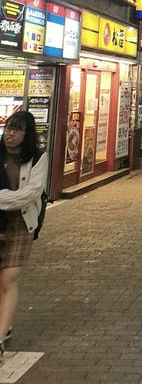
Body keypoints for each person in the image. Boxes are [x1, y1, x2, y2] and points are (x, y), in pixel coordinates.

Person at [0, 111, 48, 357]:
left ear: (28, 134)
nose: (10, 133)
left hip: (21, 223)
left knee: (8, 279)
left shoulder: (38, 158)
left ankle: (0, 337)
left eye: (17, 129)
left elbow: (31, 193)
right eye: (9, 128)